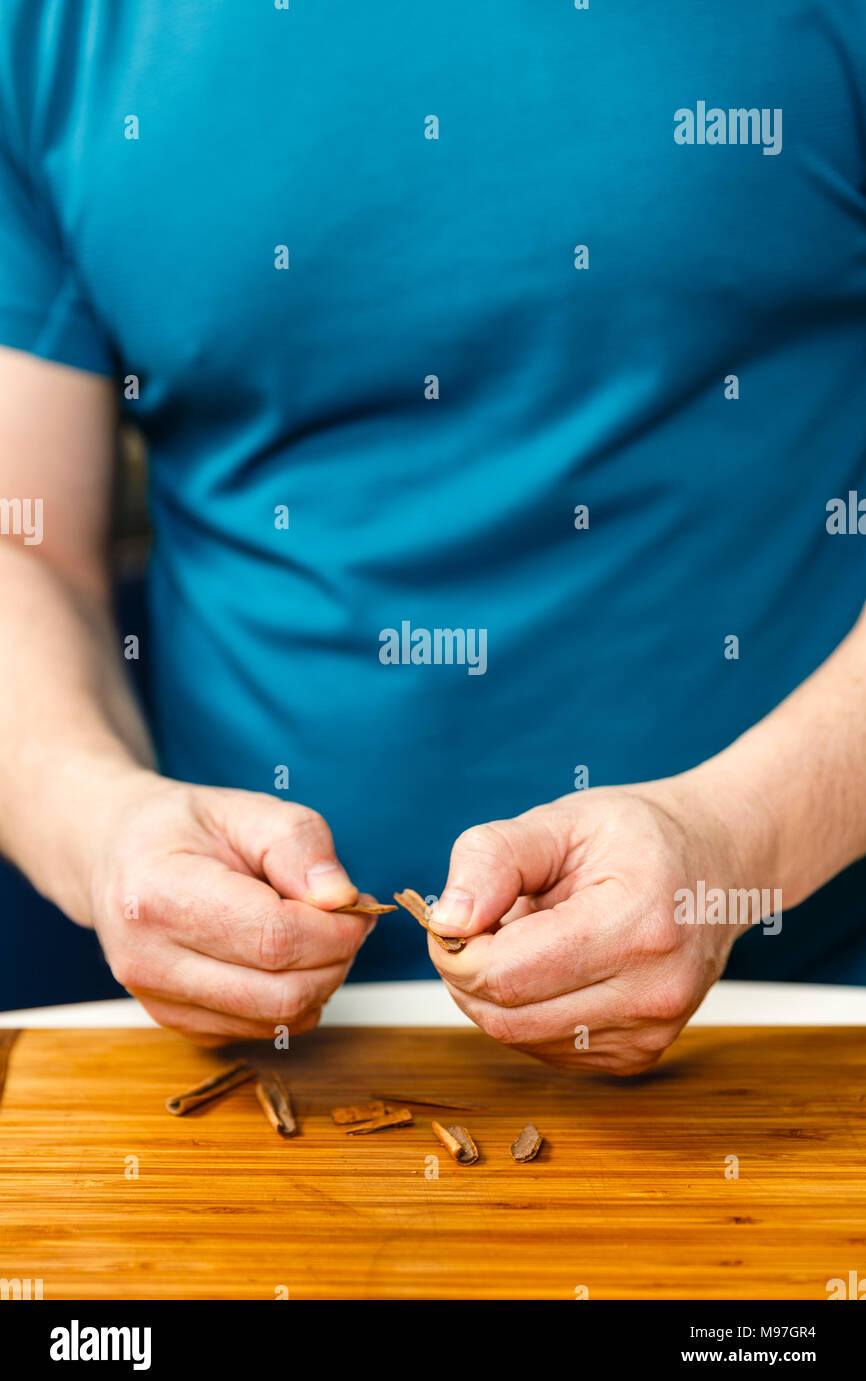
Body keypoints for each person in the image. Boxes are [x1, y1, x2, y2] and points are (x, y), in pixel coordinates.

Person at [1, 2, 865, 1072]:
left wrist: (742, 841)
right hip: (269, 1075)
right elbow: (18, 545)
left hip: (800, 1034)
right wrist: (99, 825)